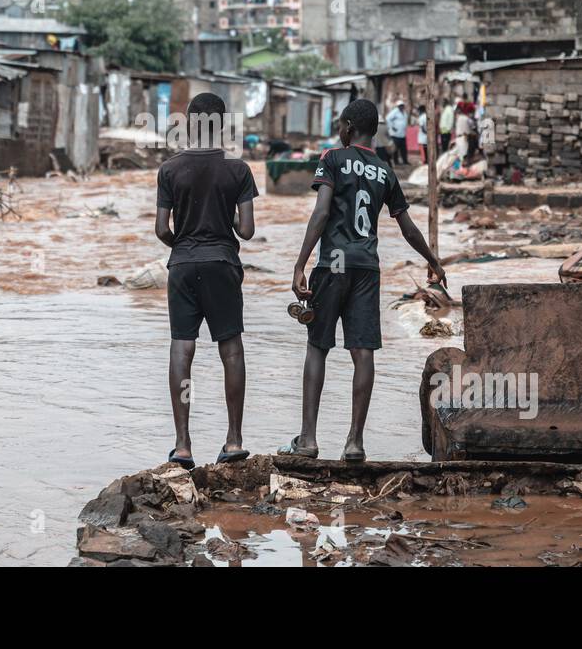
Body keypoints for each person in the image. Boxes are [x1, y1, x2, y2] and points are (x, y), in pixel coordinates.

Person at [282, 99, 446, 462]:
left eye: (341, 124)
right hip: (366, 268)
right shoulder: (385, 171)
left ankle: (307, 439)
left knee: (317, 347)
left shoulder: (333, 158)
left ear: (348, 127)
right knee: (363, 352)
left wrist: (299, 264)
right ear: (374, 131)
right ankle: (355, 443)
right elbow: (407, 227)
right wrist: (433, 260)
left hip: (333, 264)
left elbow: (322, 211)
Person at [155, 92, 258, 470]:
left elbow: (161, 229)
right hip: (223, 264)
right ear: (222, 125)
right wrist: (223, 219)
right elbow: (246, 230)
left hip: (182, 265)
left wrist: (183, 239)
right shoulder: (238, 169)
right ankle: (233, 440)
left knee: (182, 350)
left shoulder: (170, 169)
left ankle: (183, 446)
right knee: (231, 350)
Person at [385, 100, 409, 166]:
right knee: (395, 148)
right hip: (395, 134)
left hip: (402, 134)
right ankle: (396, 162)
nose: (401, 107)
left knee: (403, 148)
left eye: (402, 105)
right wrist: (392, 127)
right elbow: (387, 118)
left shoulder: (404, 112)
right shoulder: (395, 112)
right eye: (400, 106)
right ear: (398, 106)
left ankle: (405, 161)